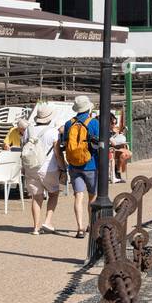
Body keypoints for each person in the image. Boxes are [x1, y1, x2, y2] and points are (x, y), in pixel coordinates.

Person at [59, 95, 100, 240]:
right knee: (92, 197)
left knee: (78, 197)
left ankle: (80, 228)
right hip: (91, 164)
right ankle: (92, 225)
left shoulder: (69, 123)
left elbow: (64, 143)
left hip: (74, 165)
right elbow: (100, 143)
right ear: (88, 108)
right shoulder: (94, 122)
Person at [21, 104, 62, 235]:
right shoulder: (53, 132)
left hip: (31, 167)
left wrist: (23, 166)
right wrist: (63, 168)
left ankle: (36, 227)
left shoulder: (28, 129)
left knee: (36, 197)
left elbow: (24, 148)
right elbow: (57, 152)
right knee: (53, 194)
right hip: (48, 167)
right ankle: (48, 221)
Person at [108, 112, 131, 184]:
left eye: (115, 123)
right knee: (123, 154)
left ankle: (117, 170)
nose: (114, 125)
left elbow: (117, 140)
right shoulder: (105, 131)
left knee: (128, 154)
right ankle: (117, 173)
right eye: (112, 123)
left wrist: (119, 134)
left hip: (115, 148)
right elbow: (113, 143)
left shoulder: (113, 130)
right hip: (110, 149)